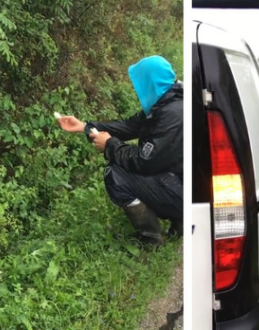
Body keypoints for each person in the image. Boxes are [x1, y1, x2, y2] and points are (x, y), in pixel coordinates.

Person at [56, 55, 183, 246]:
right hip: (181, 183)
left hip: (183, 191)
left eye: (139, 84)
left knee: (116, 175)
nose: (137, 90)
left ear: (149, 82)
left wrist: (109, 145)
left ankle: (150, 239)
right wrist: (85, 126)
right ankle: (179, 223)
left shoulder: (171, 115)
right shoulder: (166, 103)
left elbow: (145, 161)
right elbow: (127, 126)